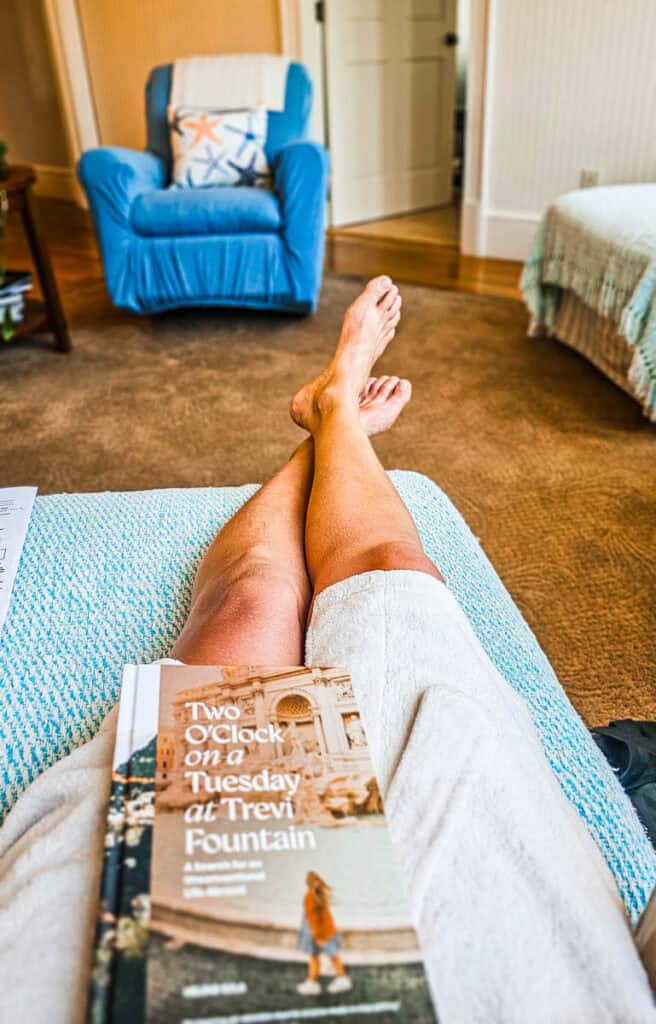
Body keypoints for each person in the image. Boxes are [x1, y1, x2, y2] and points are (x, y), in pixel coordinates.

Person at [168, 275, 656, 1021]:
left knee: (252, 601)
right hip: (513, 934)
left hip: (138, 920)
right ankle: (336, 419)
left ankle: (331, 416)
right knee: (388, 568)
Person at [296, 870, 351, 995]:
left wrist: (317, 936)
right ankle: (339, 979)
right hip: (328, 930)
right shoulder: (322, 894)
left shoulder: (310, 897)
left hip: (316, 932)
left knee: (315, 957)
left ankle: (314, 983)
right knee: (332, 955)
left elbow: (313, 919)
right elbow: (322, 916)